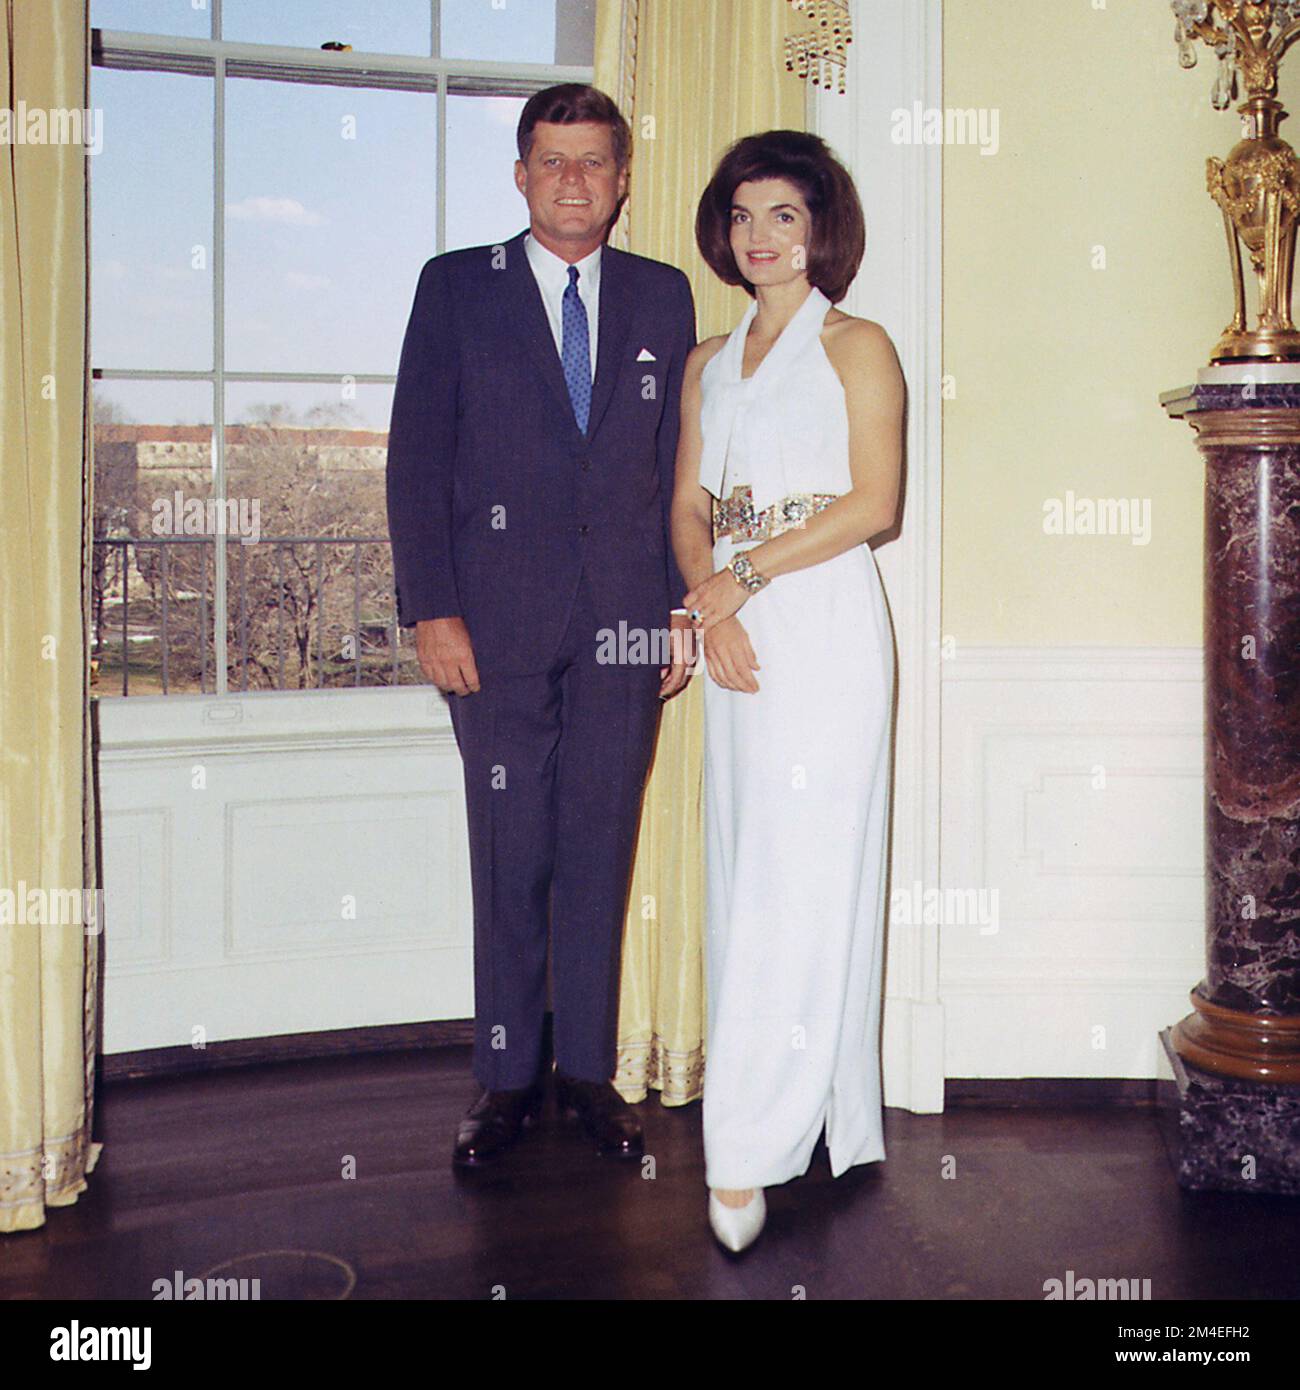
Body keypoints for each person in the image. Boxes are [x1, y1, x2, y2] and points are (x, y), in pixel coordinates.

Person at [386, 84, 696, 1169]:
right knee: (510, 851)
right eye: (551, 160)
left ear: (621, 180)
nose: (572, 179)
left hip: (623, 625)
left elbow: (673, 476)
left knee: (598, 848)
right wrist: (432, 607)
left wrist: (673, 609)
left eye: (593, 161)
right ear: (521, 175)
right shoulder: (456, 288)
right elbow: (417, 459)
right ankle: (506, 1079)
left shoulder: (663, 297)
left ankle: (587, 1076)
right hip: (493, 626)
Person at [671, 130, 904, 1251]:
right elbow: (688, 503)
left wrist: (740, 579)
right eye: (742, 215)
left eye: (783, 216)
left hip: (823, 628)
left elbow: (874, 503)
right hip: (734, 625)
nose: (758, 236)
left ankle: (747, 1152)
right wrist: (704, 600)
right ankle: (812, 1112)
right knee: (748, 871)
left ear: (820, 230)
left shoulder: (858, 344)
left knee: (797, 882)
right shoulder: (706, 360)